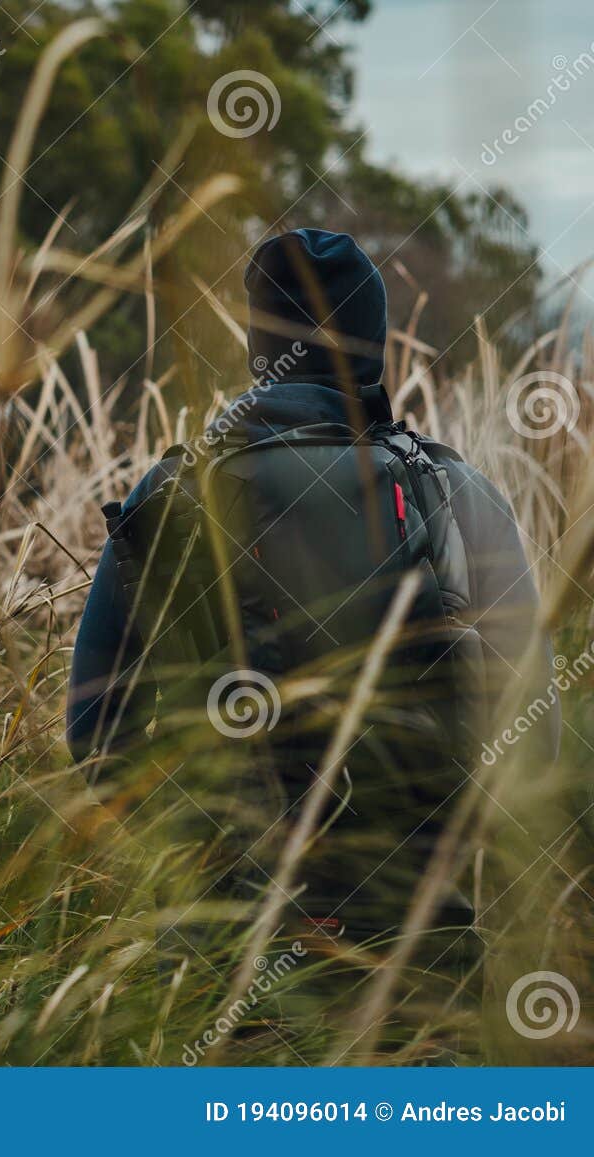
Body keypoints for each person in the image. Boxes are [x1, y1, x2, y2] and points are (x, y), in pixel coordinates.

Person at [64, 228, 555, 953]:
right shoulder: (455, 494)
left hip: (218, 956)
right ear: (372, 345)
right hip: (416, 957)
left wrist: (199, 848)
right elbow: (537, 741)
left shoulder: (171, 495)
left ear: (261, 347)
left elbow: (97, 735)